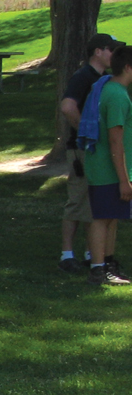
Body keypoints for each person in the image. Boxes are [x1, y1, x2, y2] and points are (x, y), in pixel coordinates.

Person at [82, 45, 132, 286]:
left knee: (110, 217)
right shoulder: (117, 96)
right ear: (128, 68)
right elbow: (115, 139)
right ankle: (98, 270)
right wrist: (124, 179)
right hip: (107, 169)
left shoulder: (109, 87)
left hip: (105, 167)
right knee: (102, 218)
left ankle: (108, 263)